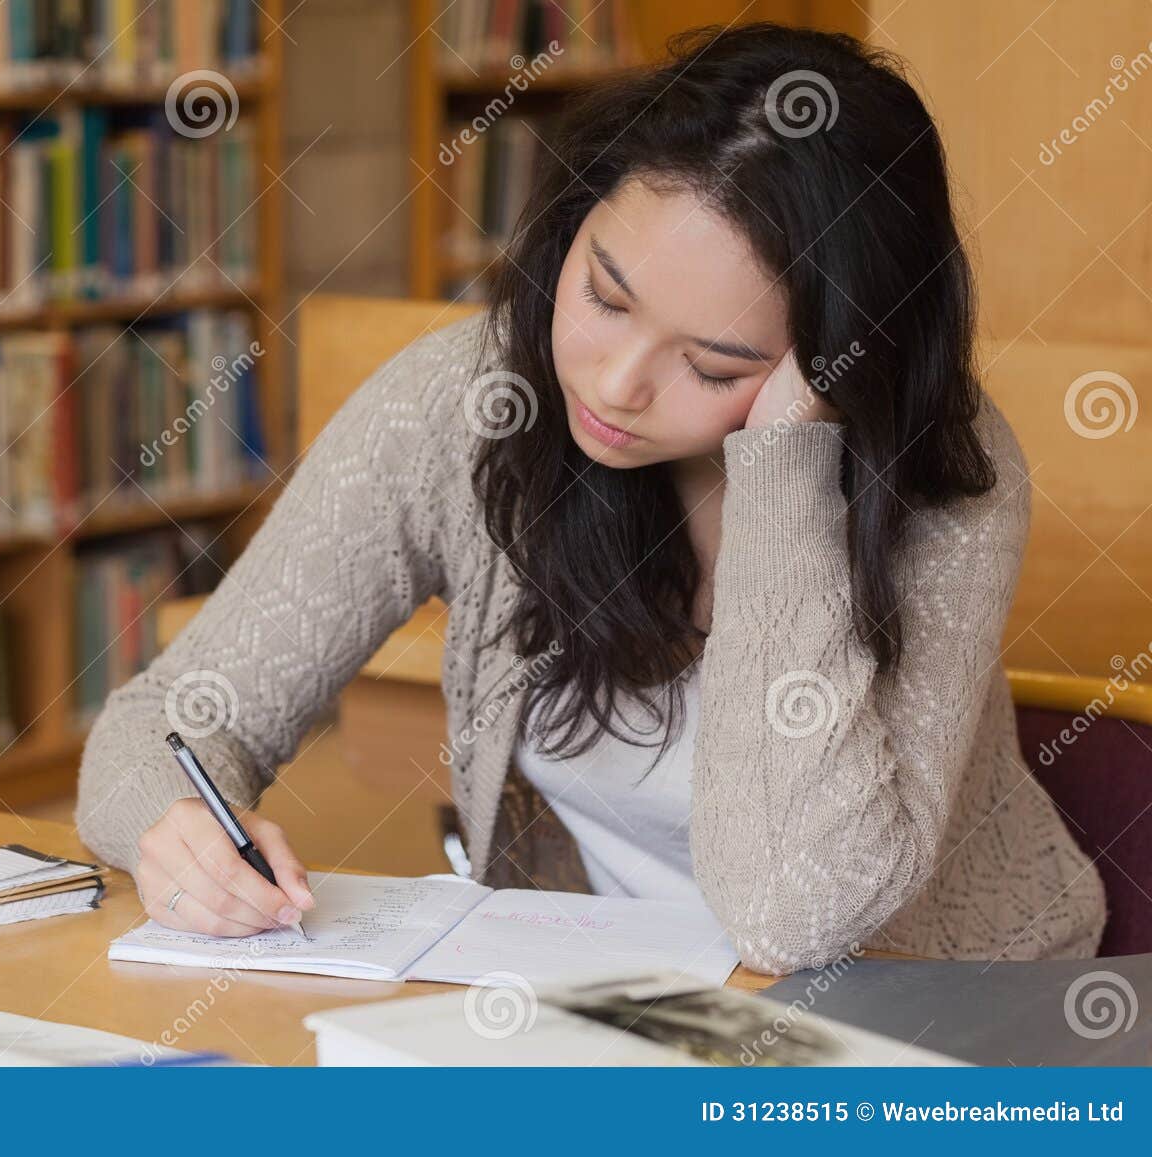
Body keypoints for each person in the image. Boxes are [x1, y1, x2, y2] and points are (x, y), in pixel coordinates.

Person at [76, 23, 1106, 975]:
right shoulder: (468, 402)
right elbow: (165, 718)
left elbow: (800, 915)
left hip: (933, 1015)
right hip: (620, 1004)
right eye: (606, 297)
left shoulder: (941, 475)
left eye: (712, 364)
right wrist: (173, 824)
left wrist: (786, 474)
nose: (615, 385)